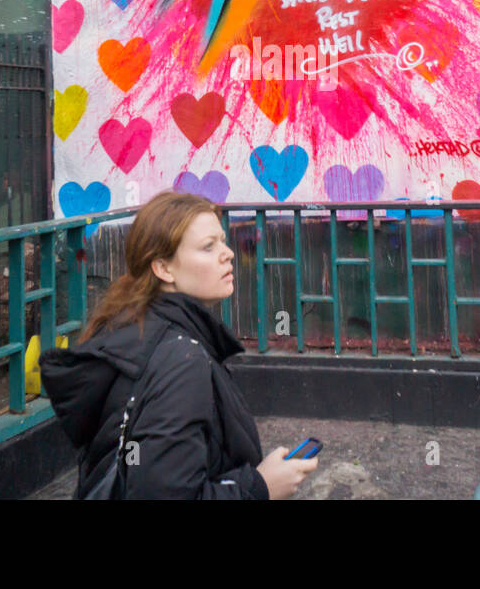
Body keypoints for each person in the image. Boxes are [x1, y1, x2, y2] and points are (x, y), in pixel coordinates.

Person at [40, 191, 319, 498]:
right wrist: (260, 487)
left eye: (223, 241)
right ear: (163, 268)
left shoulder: (136, 328)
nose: (227, 253)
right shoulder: (180, 359)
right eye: (208, 247)